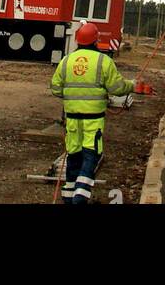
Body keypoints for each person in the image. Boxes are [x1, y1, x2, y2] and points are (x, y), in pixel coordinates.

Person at [50, 20, 151, 204]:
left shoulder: (67, 61)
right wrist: (132, 85)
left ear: (78, 40)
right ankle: (80, 196)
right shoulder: (104, 61)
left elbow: (55, 88)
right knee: (91, 155)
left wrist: (73, 96)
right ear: (96, 41)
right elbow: (116, 87)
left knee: (73, 154)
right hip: (93, 120)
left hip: (72, 120)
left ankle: (68, 196)